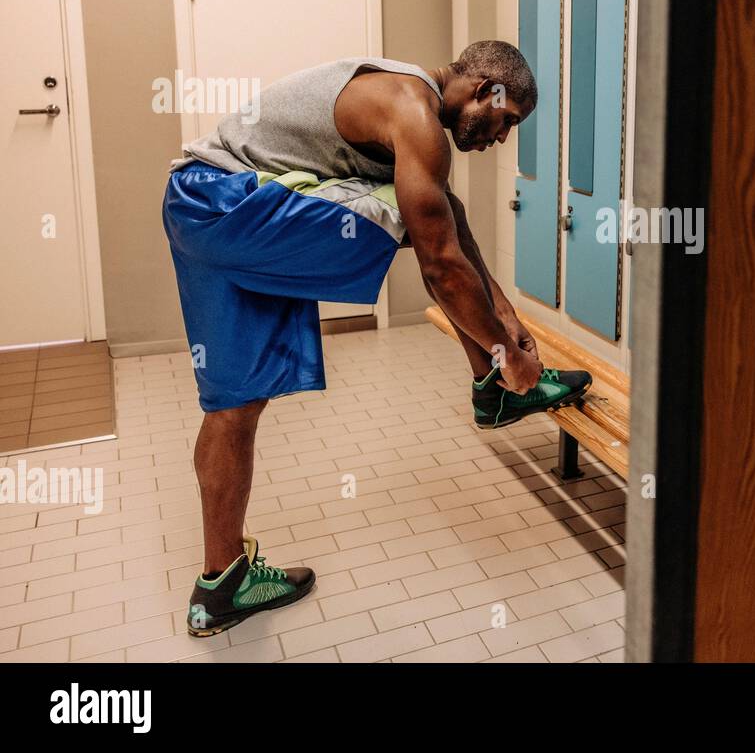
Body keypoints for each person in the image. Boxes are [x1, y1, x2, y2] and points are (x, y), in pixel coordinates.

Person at [161, 41, 591, 637]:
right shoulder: (414, 110)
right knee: (420, 216)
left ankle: (220, 584)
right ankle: (498, 385)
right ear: (484, 91)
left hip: (197, 203)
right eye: (507, 120)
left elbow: (450, 224)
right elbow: (440, 261)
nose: (501, 137)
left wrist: (503, 311)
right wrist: (506, 350)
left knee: (234, 406)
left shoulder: (405, 102)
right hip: (230, 204)